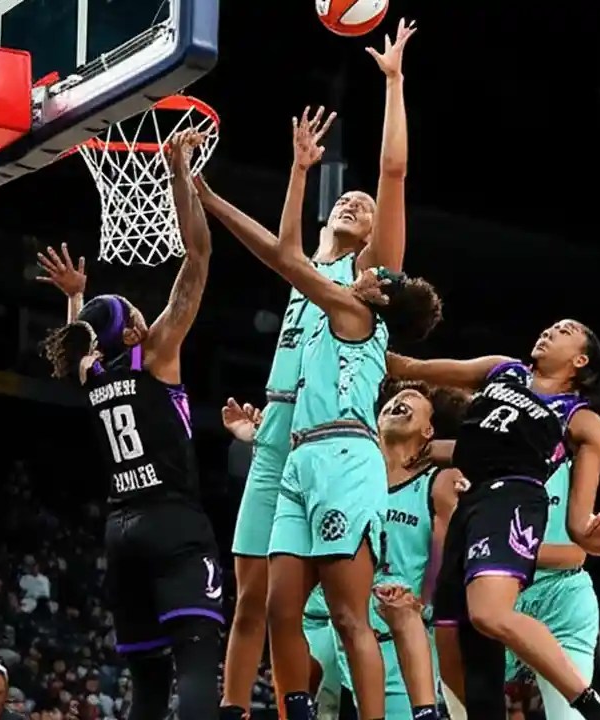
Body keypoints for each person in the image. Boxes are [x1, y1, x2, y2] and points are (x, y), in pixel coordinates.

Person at [207, 21, 418, 720]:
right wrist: (298, 173)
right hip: (285, 434)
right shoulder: (310, 275)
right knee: (264, 602)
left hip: (336, 440)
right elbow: (285, 248)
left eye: (366, 205)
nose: (359, 202)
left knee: (345, 611)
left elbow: (391, 175)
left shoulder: (361, 280)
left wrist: (392, 82)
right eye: (347, 200)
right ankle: (261, 706)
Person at [388, 321, 600, 720]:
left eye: (564, 330)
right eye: (550, 326)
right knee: (449, 636)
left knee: (488, 614)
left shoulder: (582, 421)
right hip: (475, 502)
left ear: (579, 360)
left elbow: (577, 526)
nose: (549, 331)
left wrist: (594, 539)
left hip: (514, 499)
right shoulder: (504, 370)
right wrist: (366, 345)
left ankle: (595, 708)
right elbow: (413, 367)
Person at [36, 132, 222, 720]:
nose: (148, 315)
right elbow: (198, 257)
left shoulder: (95, 376)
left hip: (121, 530)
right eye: (140, 314)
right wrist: (177, 175)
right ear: (137, 334)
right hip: (173, 520)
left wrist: (78, 300)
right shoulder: (159, 353)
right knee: (195, 665)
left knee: (145, 681)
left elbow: (79, 350)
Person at [223, 381, 469, 720]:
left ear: (429, 429)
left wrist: (421, 607)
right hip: (323, 623)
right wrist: (263, 441)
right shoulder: (344, 472)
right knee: (292, 687)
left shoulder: (438, 482)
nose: (399, 401)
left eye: (411, 400)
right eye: (394, 399)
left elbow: (445, 567)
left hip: (390, 635)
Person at [501, 458, 600, 720]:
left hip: (561, 597)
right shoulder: (487, 460)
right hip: (498, 598)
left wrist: (503, 549)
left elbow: (577, 554)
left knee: (569, 714)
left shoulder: (575, 469)